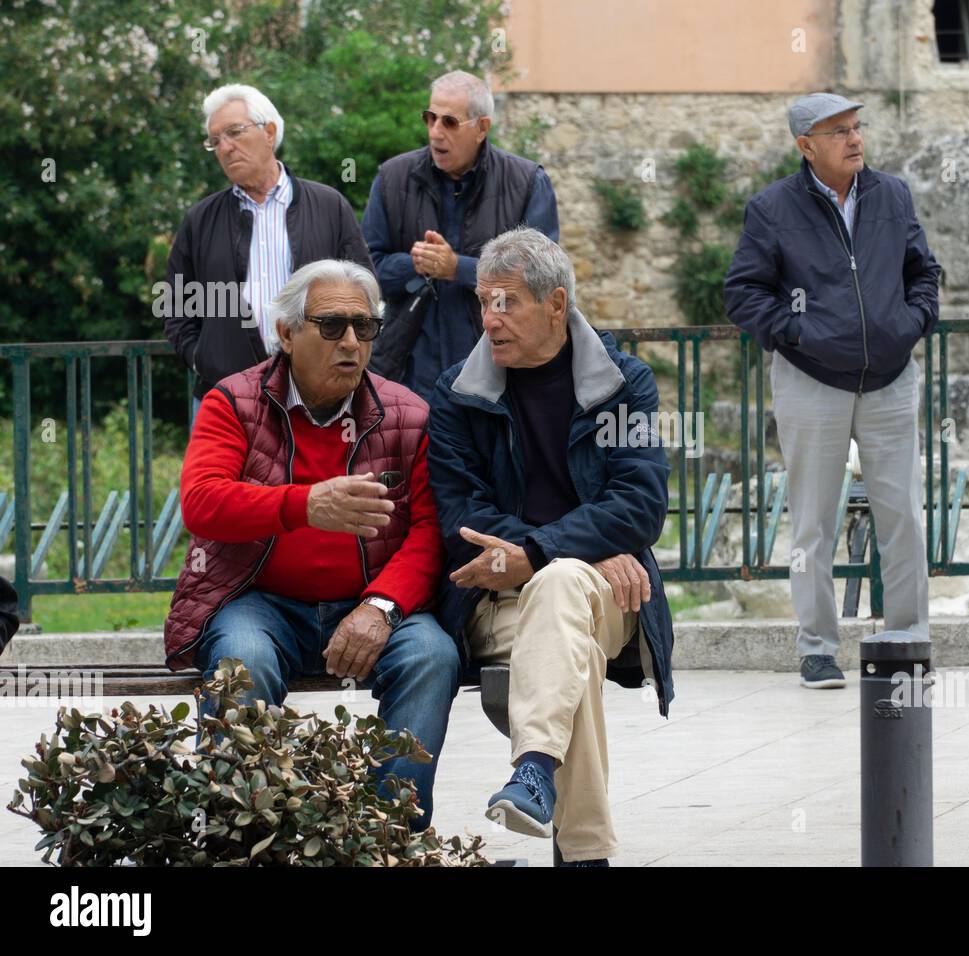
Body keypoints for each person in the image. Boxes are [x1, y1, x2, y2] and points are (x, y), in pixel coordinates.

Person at [164, 259, 458, 831]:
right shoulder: (234, 402)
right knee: (240, 662)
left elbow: (429, 532)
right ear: (286, 333)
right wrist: (304, 505)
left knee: (432, 655)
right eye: (330, 326)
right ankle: (241, 833)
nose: (350, 342)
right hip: (259, 601)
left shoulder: (410, 414)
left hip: (371, 604)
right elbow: (202, 501)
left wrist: (379, 607)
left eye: (364, 327)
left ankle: (388, 832)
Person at [427, 227, 673, 866]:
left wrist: (544, 553)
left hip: (607, 590)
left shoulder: (624, 383)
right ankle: (583, 852)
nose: (490, 319)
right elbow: (462, 519)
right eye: (482, 302)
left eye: (505, 302)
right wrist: (577, 548)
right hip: (499, 593)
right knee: (572, 649)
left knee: (562, 589)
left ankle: (534, 768)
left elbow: (641, 505)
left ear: (557, 304)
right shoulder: (458, 392)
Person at [723, 92, 941, 690]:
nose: (854, 139)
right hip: (810, 380)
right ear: (805, 146)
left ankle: (906, 640)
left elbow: (923, 271)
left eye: (856, 127)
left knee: (902, 516)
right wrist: (797, 332)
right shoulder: (771, 209)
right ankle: (817, 648)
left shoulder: (891, 194)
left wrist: (912, 321)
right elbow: (744, 293)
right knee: (814, 521)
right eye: (838, 131)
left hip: (890, 378)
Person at [163, 84, 372, 411]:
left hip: (316, 396)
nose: (225, 147)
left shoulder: (329, 206)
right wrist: (201, 360)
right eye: (215, 140)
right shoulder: (200, 220)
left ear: (270, 133)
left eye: (234, 132)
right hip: (225, 398)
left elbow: (366, 296)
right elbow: (175, 303)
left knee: (312, 466)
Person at [363, 71, 559, 407]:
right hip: (407, 377)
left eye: (449, 122)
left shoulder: (527, 182)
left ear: (482, 128)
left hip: (498, 377)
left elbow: (541, 282)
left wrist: (459, 269)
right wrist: (416, 264)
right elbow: (364, 273)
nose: (435, 132)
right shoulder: (392, 178)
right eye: (430, 118)